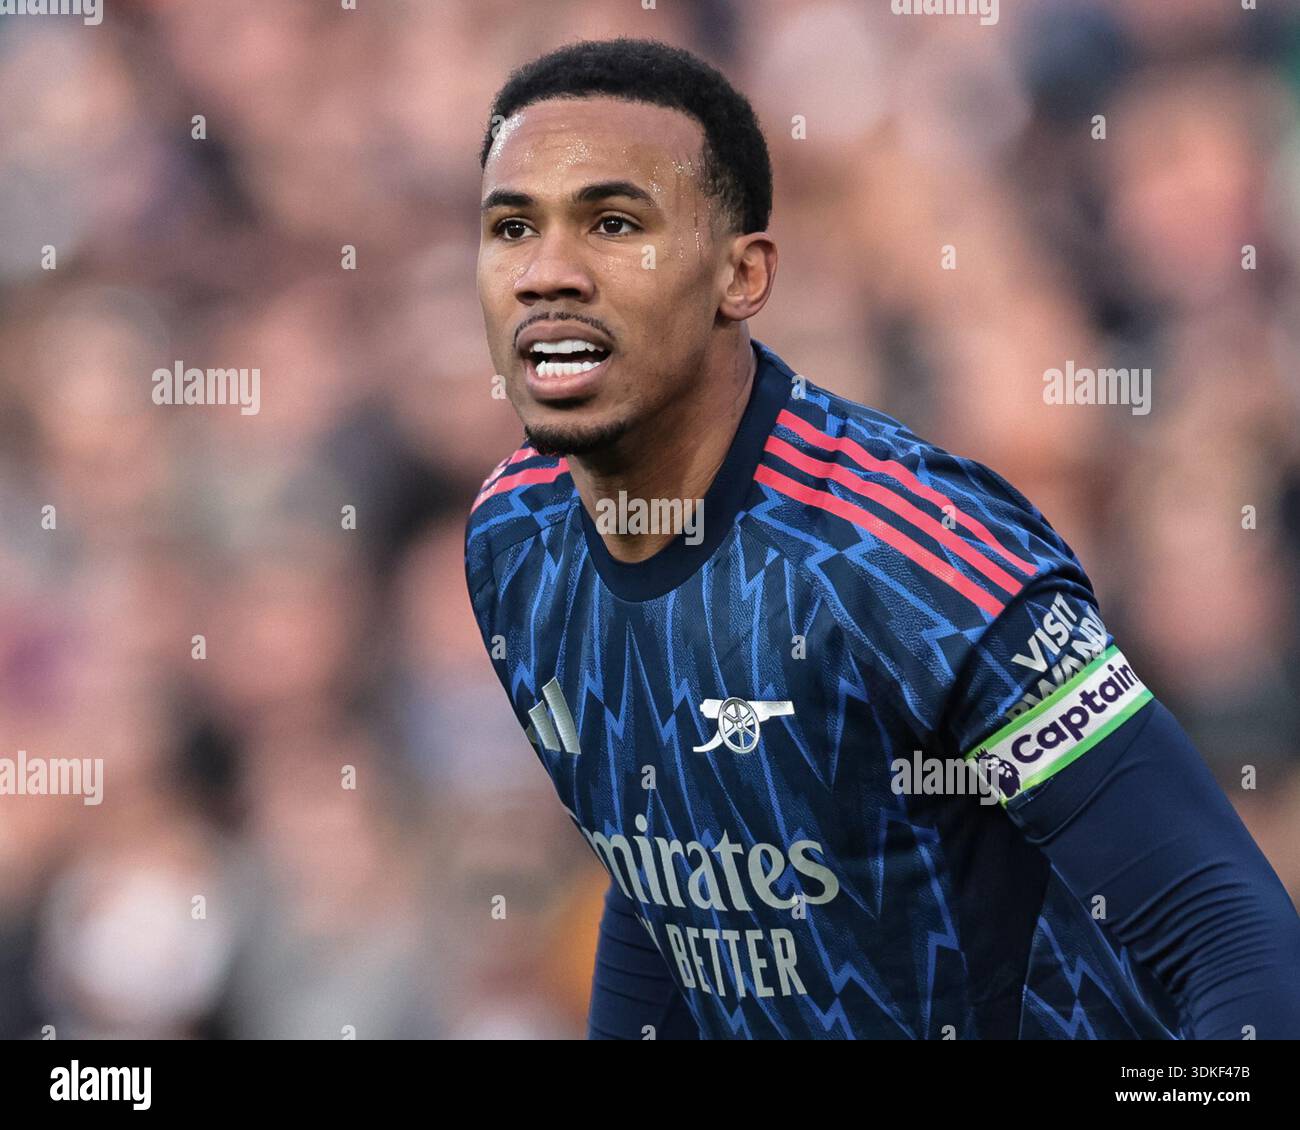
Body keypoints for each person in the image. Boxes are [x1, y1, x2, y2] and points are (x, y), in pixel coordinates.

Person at [464, 37, 1300, 1039]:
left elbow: (1229, 935)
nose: (545, 273)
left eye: (611, 222)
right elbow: (667, 894)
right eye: (512, 227)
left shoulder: (907, 556)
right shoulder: (513, 540)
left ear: (742, 275)